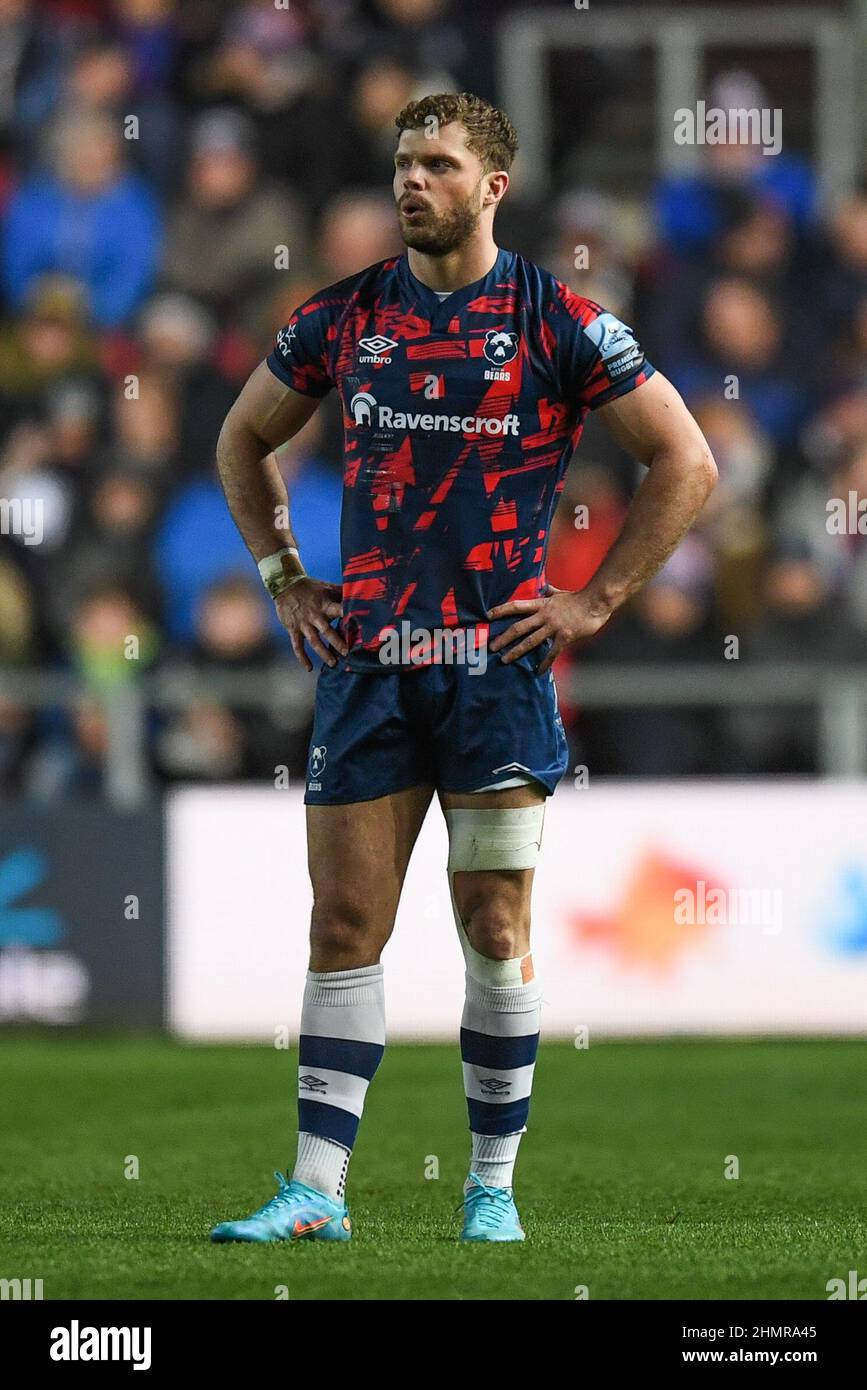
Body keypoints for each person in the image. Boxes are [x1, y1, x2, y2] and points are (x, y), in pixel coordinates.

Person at [210, 91, 717, 1245]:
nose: (410, 184)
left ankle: (491, 1187)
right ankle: (315, 1193)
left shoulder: (560, 322)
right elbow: (242, 437)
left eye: (436, 165)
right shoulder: (344, 319)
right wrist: (285, 573)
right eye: (402, 164)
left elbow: (686, 460)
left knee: (494, 924)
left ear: (494, 186)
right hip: (371, 665)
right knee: (344, 923)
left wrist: (597, 598)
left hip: (495, 669)